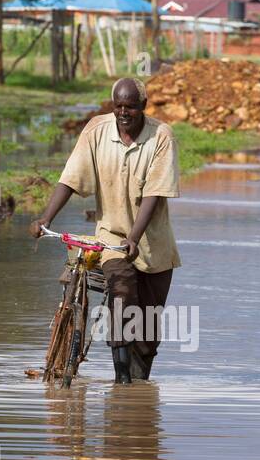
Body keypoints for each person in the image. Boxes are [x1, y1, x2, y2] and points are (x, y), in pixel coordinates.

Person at [30, 77, 181, 384]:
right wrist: (45, 218)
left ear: (144, 107)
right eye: (118, 106)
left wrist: (135, 238)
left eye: (131, 107)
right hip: (111, 238)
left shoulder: (162, 136)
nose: (124, 113)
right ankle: (122, 382)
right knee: (122, 294)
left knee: (149, 330)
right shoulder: (96, 131)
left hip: (154, 244)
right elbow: (70, 178)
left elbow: (155, 193)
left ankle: (138, 391)